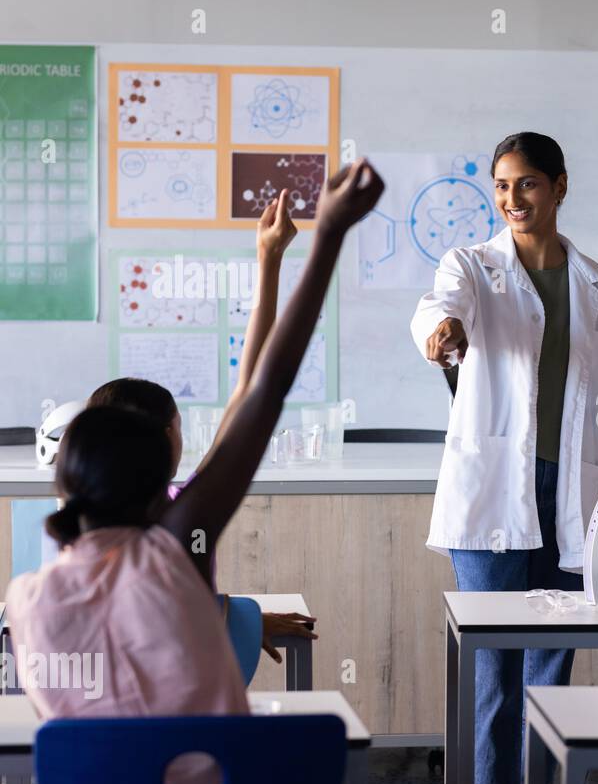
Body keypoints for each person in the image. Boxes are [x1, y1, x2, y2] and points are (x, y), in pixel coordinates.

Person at [4, 161, 384, 728]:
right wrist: (327, 236)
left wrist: (271, 259)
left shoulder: (28, 598)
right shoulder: (176, 544)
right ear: (161, 459)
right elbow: (263, 390)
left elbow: (252, 390)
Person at [410, 132, 598, 784]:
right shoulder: (473, 267)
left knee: (548, 674)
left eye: (527, 185)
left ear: (559, 186)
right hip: (492, 498)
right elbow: (435, 310)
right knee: (493, 674)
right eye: (500, 186)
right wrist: (441, 332)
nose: (512, 199)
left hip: (569, 497)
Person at [85, 189, 314, 664]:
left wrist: (234, 614)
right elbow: (251, 385)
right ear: (166, 439)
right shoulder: (188, 512)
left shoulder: (80, 525)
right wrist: (240, 618)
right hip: (191, 702)